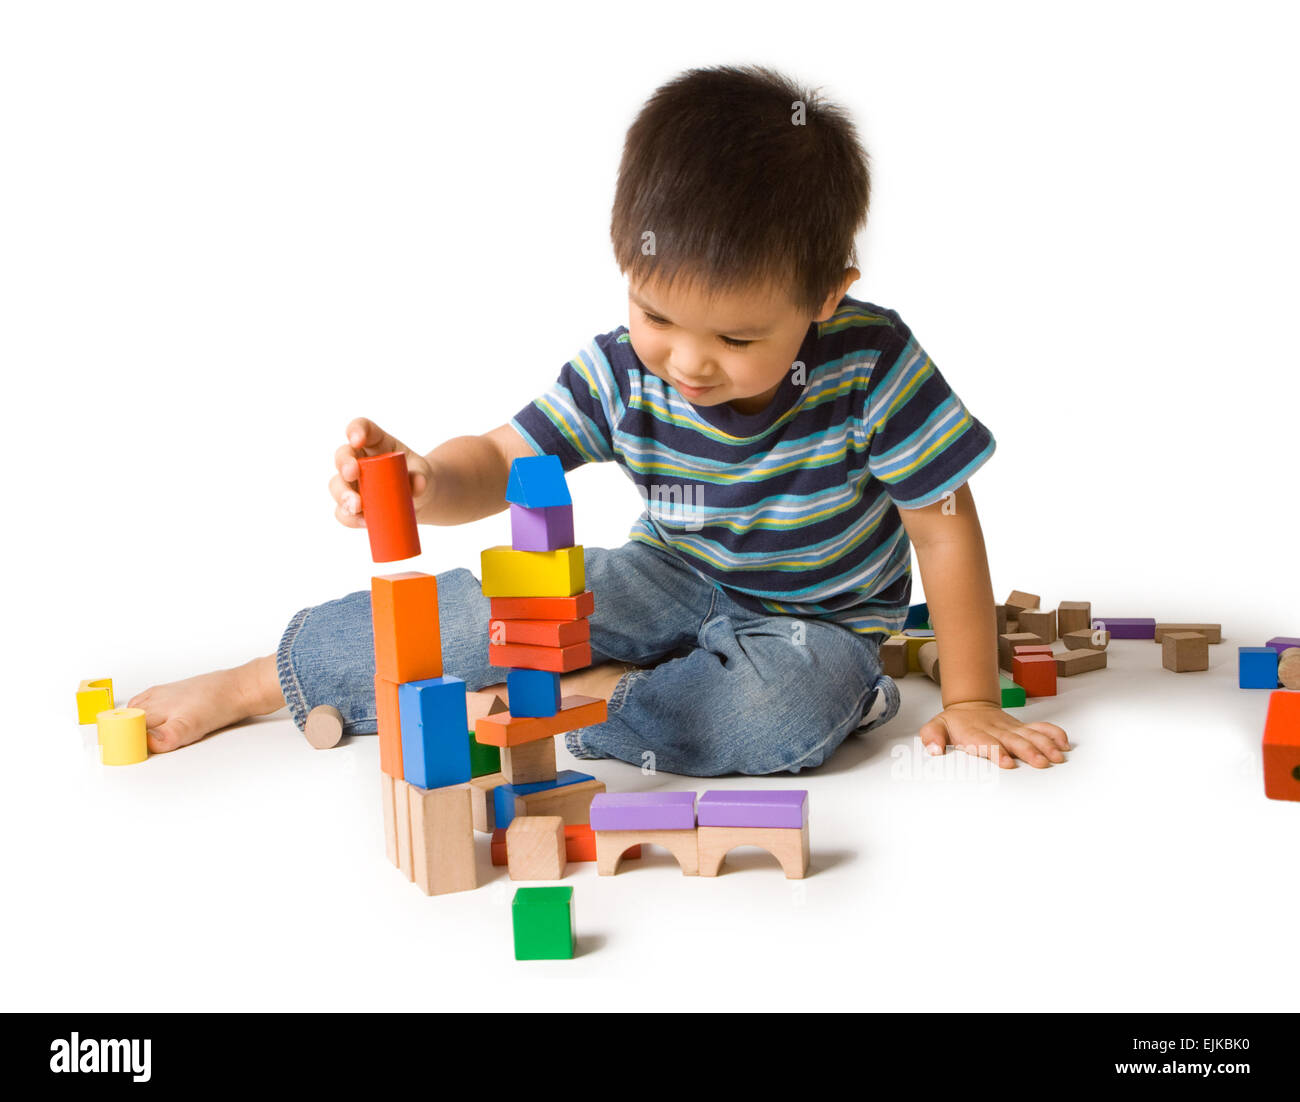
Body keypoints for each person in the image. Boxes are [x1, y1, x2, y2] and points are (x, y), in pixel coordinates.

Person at [129, 64, 1069, 775]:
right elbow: (501, 458)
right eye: (657, 314)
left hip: (813, 627)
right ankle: (263, 681)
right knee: (491, 604)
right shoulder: (621, 372)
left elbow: (943, 532)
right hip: (662, 577)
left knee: (779, 710)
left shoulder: (873, 364)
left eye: (737, 336)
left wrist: (975, 696)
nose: (688, 361)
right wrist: (426, 481)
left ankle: (586, 703)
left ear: (827, 296)